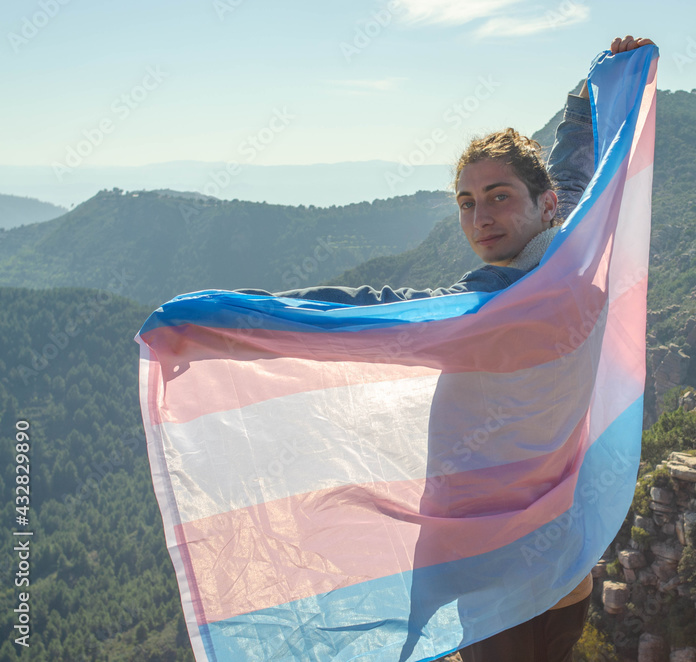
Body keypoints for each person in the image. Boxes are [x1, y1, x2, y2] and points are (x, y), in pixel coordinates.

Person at [237, 34, 654, 662]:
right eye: (466, 203)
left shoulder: (486, 307)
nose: (479, 217)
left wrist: (235, 317)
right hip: (566, 565)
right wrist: (600, 82)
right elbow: (577, 166)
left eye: (498, 196)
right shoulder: (578, 243)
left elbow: (374, 312)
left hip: (493, 576)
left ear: (543, 205)